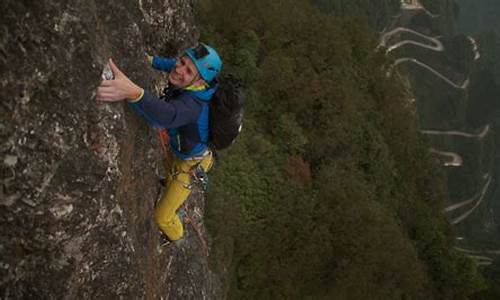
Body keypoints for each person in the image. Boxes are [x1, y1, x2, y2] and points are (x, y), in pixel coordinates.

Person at [96, 43, 222, 244]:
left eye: (188, 71)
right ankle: (171, 184)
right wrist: (148, 60)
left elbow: (166, 116)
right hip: (180, 152)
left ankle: (176, 236)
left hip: (191, 164)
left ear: (199, 82)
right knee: (169, 168)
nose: (179, 69)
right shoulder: (198, 83)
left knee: (162, 217)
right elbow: (170, 65)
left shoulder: (193, 106)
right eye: (182, 61)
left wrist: (134, 92)